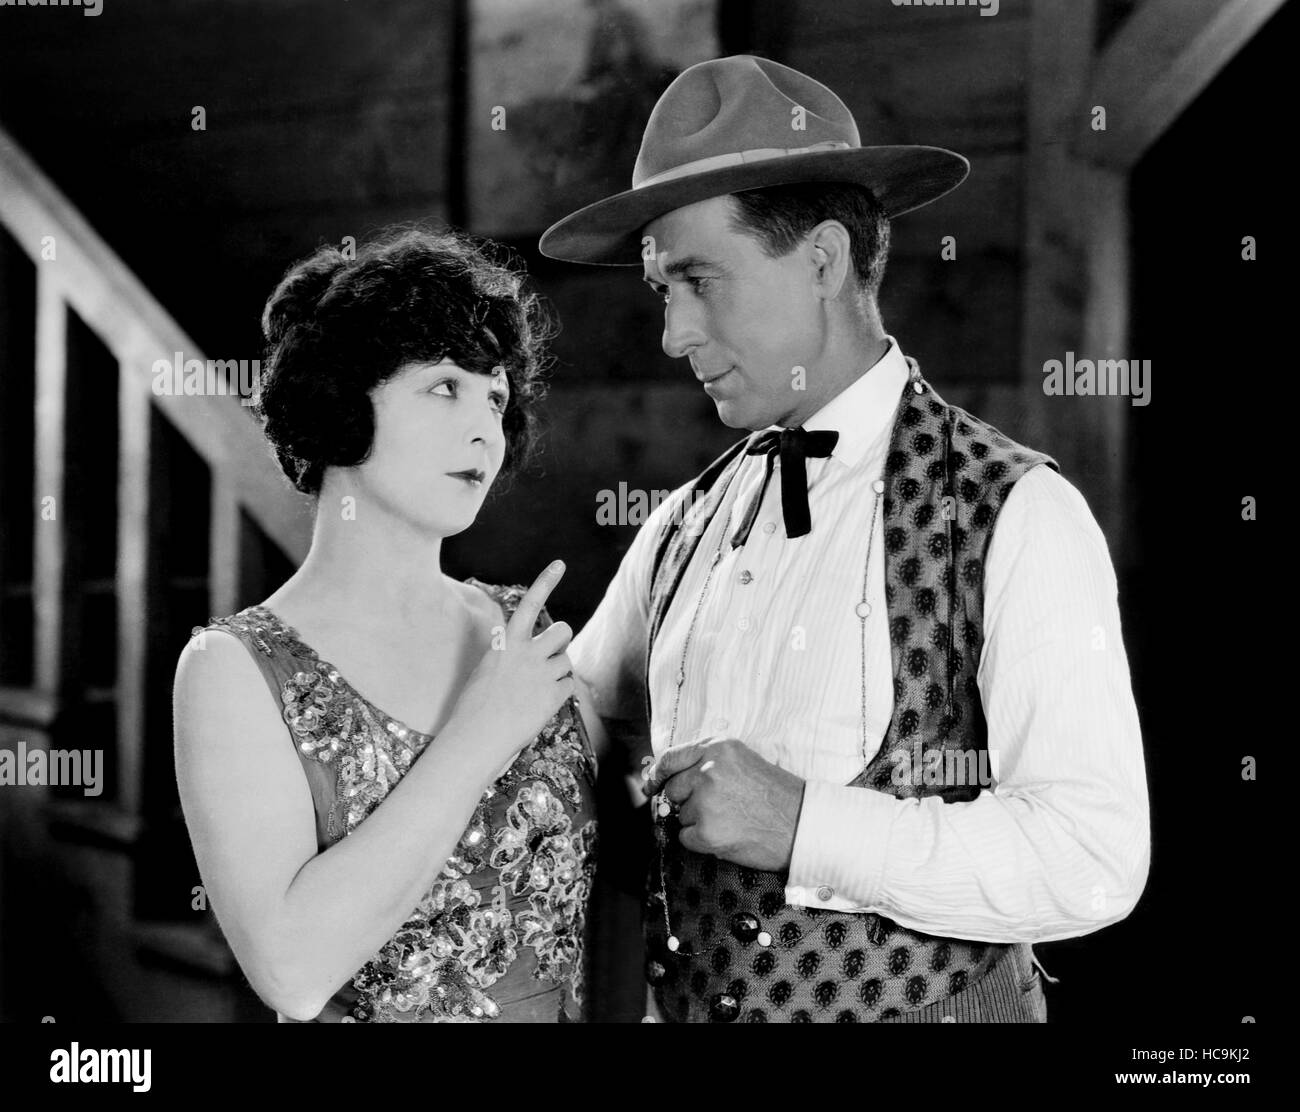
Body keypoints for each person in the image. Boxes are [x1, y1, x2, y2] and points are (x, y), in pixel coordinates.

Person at [541, 55, 1150, 1022]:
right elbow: (566, 733)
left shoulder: (1017, 515)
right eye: (663, 290)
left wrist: (803, 825)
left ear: (824, 259)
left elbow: (1093, 859)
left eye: (700, 280)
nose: (673, 334)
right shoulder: (680, 528)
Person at [173, 227, 605, 1023]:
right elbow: (292, 973)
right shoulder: (231, 668)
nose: (484, 428)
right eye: (446, 386)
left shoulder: (528, 632)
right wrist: (480, 736)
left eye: (497, 399)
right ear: (343, 397)